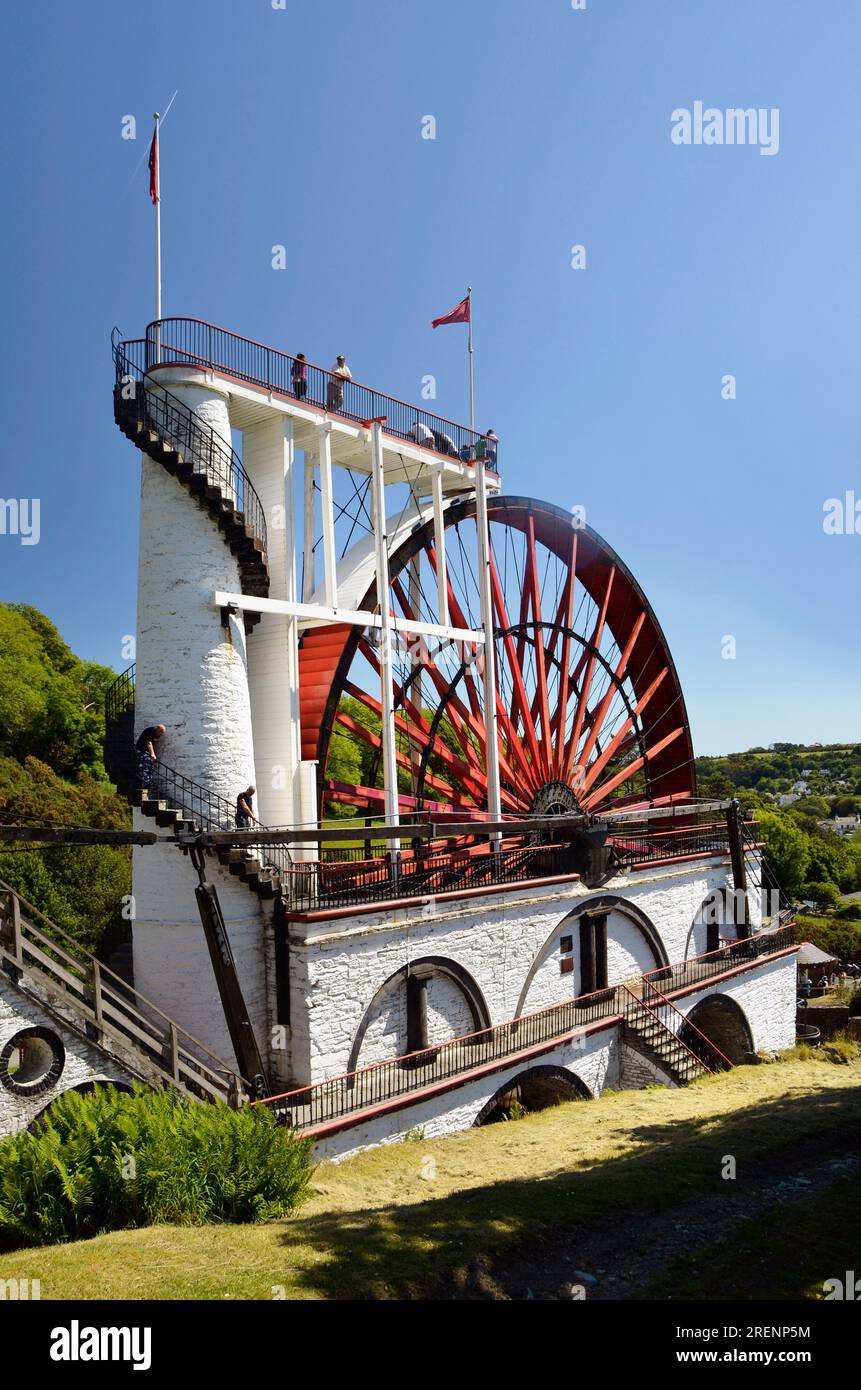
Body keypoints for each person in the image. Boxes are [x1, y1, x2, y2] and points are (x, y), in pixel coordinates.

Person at [135, 723, 165, 790]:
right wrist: (152, 754)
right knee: (145, 766)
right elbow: (149, 743)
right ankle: (145, 785)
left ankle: (147, 785)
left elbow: (154, 744)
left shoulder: (156, 735)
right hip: (141, 750)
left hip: (147, 752)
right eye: (161, 732)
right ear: (157, 730)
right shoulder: (150, 731)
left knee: (149, 767)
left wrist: (154, 755)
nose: (161, 735)